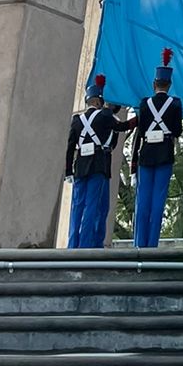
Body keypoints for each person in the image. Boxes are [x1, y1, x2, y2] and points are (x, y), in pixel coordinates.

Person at [64, 72, 126, 249]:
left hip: (81, 166)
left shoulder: (77, 120)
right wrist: (138, 119)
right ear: (98, 101)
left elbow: (70, 148)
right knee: (92, 206)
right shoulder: (105, 116)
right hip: (98, 165)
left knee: (77, 206)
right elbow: (122, 126)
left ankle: (73, 244)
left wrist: (68, 171)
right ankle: (85, 245)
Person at [131, 48, 183, 249]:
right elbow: (177, 130)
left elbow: (141, 130)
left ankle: (139, 243)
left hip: (146, 153)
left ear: (154, 84)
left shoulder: (144, 104)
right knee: (158, 200)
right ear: (169, 85)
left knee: (142, 200)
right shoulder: (175, 103)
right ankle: (152, 244)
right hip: (164, 154)